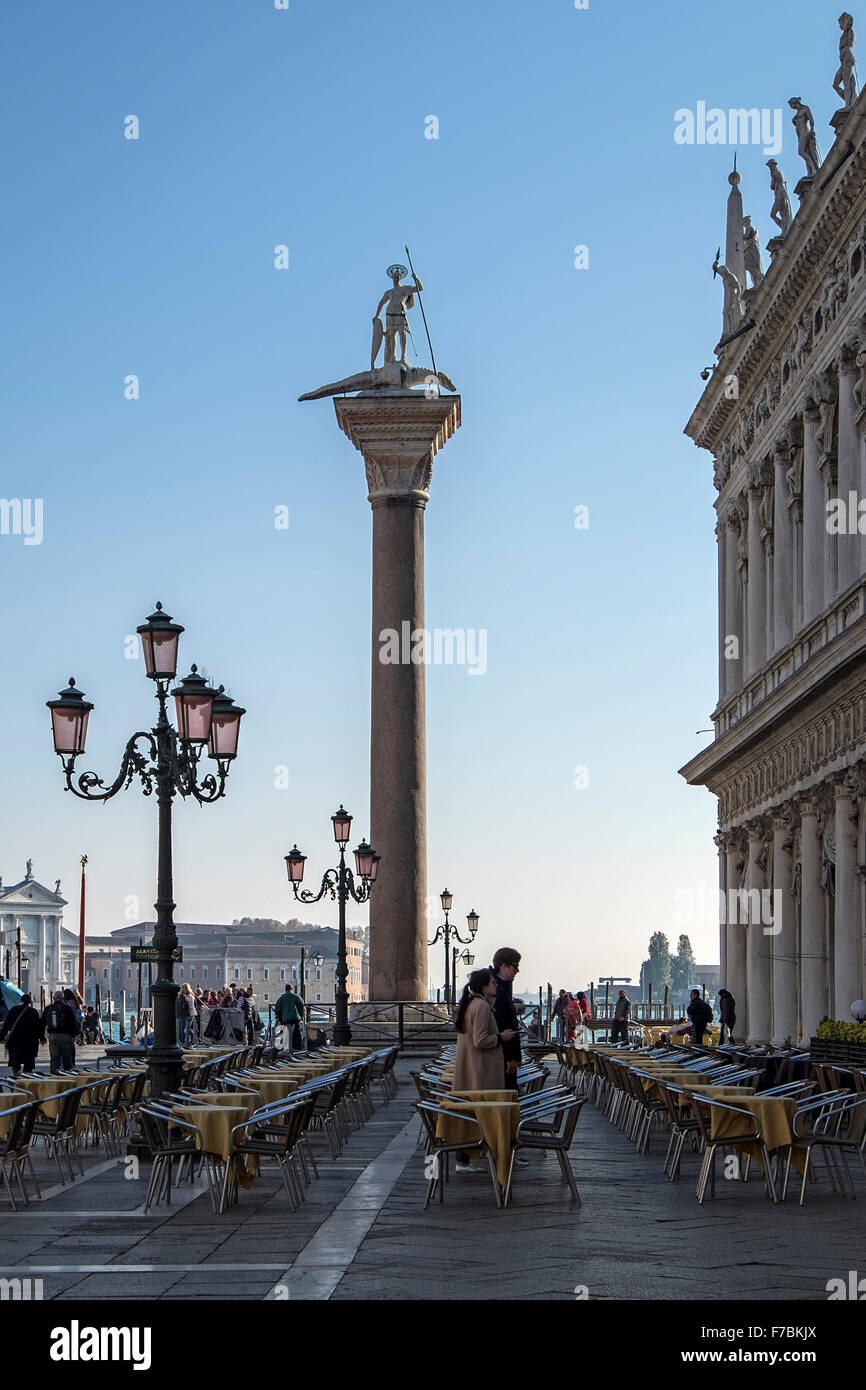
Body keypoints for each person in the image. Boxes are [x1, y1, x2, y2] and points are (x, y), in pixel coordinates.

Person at [489, 948, 522, 1092]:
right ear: (504, 966)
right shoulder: (497, 989)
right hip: (502, 1055)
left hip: (504, 1053)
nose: (517, 971)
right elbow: (502, 1024)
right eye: (515, 966)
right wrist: (510, 1057)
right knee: (507, 1092)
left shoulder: (503, 986)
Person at [0, 993, 41, 1075]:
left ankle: (16, 1075)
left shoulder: (13, 1009)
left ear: (21, 1000)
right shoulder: (33, 1012)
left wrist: (1, 1037)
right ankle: (27, 1078)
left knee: (15, 1060)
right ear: (29, 1002)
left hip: (15, 1040)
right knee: (28, 1062)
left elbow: (6, 1025)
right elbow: (38, 1028)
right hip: (29, 1042)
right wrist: (42, 1038)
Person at [40, 990, 79, 1074]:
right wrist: (73, 1036)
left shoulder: (48, 1008)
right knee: (67, 1059)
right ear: (63, 999)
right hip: (66, 1037)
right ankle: (67, 1077)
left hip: (53, 1036)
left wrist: (42, 1038)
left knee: (54, 1059)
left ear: (53, 998)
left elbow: (41, 1024)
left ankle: (54, 1077)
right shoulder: (67, 1009)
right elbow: (73, 1023)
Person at [274, 982, 305, 1051]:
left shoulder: (281, 998)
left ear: (285, 990)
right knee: (297, 1036)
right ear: (292, 989)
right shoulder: (297, 997)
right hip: (296, 1019)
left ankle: (287, 1049)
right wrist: (301, 1016)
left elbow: (277, 1010)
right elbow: (302, 1008)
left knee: (286, 1036)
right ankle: (298, 1050)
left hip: (285, 1020)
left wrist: (280, 1019)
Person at [176, 981, 197, 1047]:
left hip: (184, 1014)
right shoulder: (192, 996)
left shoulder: (182, 997)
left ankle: (182, 1042)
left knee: (183, 1029)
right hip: (192, 1014)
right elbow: (195, 1005)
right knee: (188, 1028)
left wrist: (178, 1014)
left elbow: (181, 1007)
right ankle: (193, 1039)